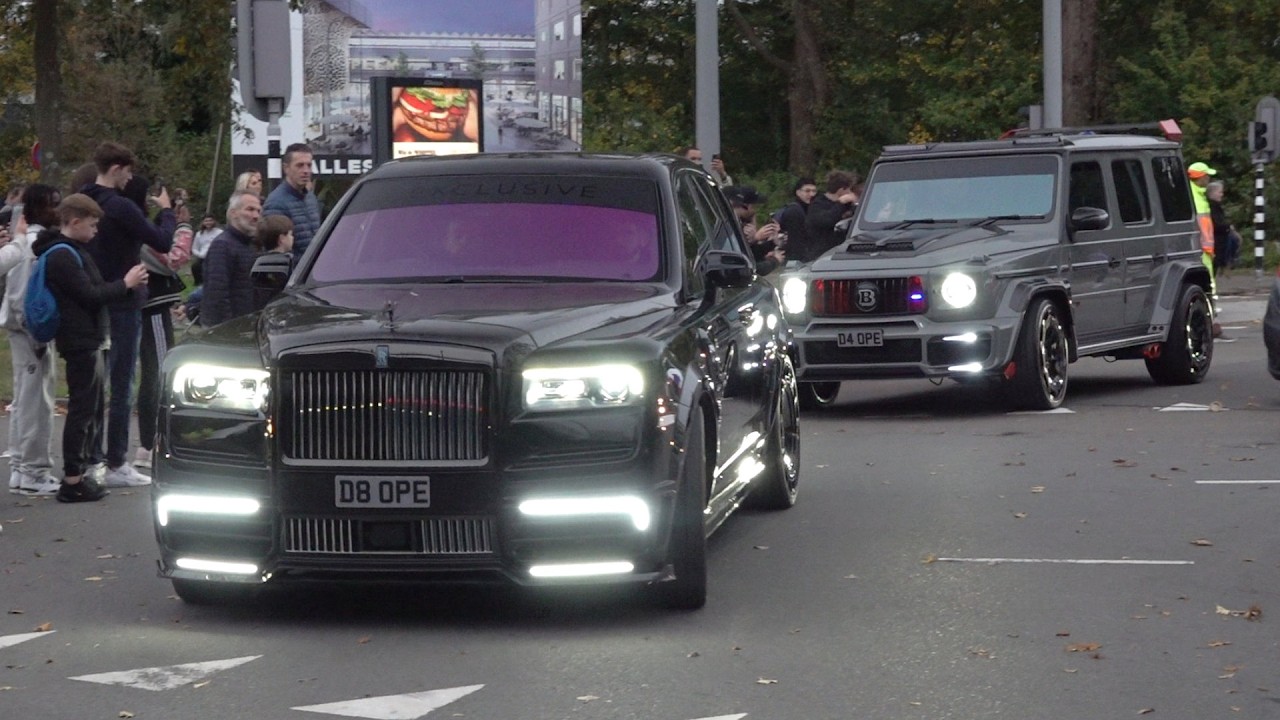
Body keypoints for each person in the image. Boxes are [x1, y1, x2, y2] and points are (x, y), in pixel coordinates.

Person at [32, 194, 148, 503]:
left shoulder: (75, 252)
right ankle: (72, 478)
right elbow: (90, 295)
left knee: (91, 408)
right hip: (79, 339)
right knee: (82, 409)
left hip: (89, 337)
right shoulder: (63, 256)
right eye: (93, 225)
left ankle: (81, 472)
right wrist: (126, 283)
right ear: (74, 222)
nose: (96, 231)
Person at [82, 142, 174, 488]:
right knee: (122, 383)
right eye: (129, 172)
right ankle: (117, 459)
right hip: (124, 299)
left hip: (92, 298)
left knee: (92, 383)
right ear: (117, 168)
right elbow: (161, 241)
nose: (130, 178)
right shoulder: (121, 206)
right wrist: (166, 211)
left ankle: (91, 457)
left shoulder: (85, 200)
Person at [1, 185, 60, 495]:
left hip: (20, 326)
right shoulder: (35, 244)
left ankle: (20, 466)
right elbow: (22, 291)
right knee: (36, 402)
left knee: (24, 396)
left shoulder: (25, 242)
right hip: (29, 328)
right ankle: (33, 471)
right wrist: (32, 327)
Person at [134, 202, 193, 473]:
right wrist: (180, 224)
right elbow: (172, 259)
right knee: (158, 372)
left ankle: (151, 439)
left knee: (151, 372)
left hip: (150, 306)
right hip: (153, 308)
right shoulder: (135, 232)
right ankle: (151, 441)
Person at [202, 190, 263, 326]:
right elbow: (217, 295)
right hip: (227, 332)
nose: (255, 216)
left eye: (258, 211)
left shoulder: (250, 245)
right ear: (233, 213)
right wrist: (229, 329)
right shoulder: (222, 246)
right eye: (250, 209)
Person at [262, 143, 321, 260]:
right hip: (294, 273)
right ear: (286, 168)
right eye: (299, 165)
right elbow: (276, 250)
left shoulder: (310, 198)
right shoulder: (276, 203)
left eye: (309, 165)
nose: (306, 170)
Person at [1187, 161, 1219, 333]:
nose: (1208, 178)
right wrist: (1207, 248)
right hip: (1201, 249)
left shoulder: (1198, 194)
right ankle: (1207, 317)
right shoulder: (1195, 196)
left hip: (1204, 248)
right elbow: (1200, 226)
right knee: (1208, 283)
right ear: (1200, 177)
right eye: (1206, 175)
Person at [724, 185, 785, 275]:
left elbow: (751, 255)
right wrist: (774, 261)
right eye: (754, 207)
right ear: (746, 206)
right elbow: (749, 267)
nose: (755, 211)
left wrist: (771, 243)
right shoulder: (731, 228)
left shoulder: (737, 224)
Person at [804, 170, 859, 261]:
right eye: (848, 189)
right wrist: (841, 203)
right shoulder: (817, 204)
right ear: (842, 190)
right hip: (821, 254)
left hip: (842, 252)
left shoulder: (848, 205)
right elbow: (827, 220)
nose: (850, 193)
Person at [774, 177, 817, 264]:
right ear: (798, 192)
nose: (811, 194)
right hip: (796, 260)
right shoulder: (794, 211)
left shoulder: (810, 209)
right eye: (807, 191)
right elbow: (796, 241)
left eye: (814, 191)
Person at [1206, 180, 1239, 276]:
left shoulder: (1215, 206)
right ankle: (1226, 264)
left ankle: (1226, 264)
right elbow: (1216, 225)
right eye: (1220, 192)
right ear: (1212, 193)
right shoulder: (1212, 207)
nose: (1222, 194)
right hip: (1216, 242)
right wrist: (1228, 227)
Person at [190, 213, 221, 285]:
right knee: (195, 267)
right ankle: (198, 283)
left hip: (215, 256)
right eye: (206, 221)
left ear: (214, 221)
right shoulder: (199, 234)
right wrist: (199, 254)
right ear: (203, 222)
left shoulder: (219, 232)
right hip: (202, 256)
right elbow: (194, 248)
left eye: (210, 220)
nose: (208, 223)